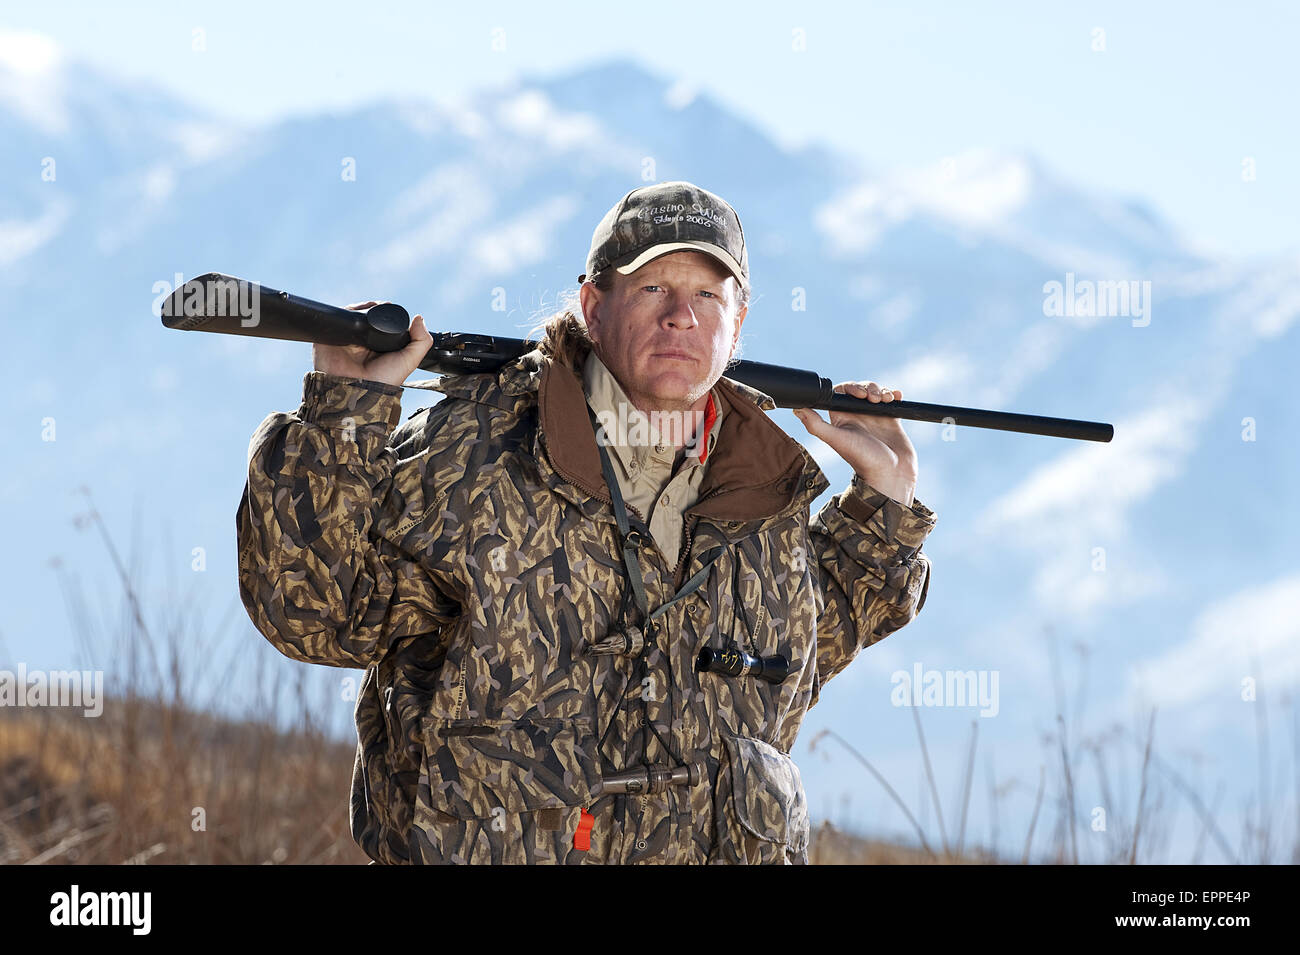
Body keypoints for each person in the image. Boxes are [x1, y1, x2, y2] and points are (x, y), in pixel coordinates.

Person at [236, 180, 936, 864]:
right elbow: (315, 611)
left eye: (706, 295)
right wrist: (340, 421)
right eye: (654, 288)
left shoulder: (767, 495)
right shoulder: (477, 453)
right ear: (593, 306)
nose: (681, 317)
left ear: (738, 321)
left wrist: (886, 499)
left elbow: (792, 656)